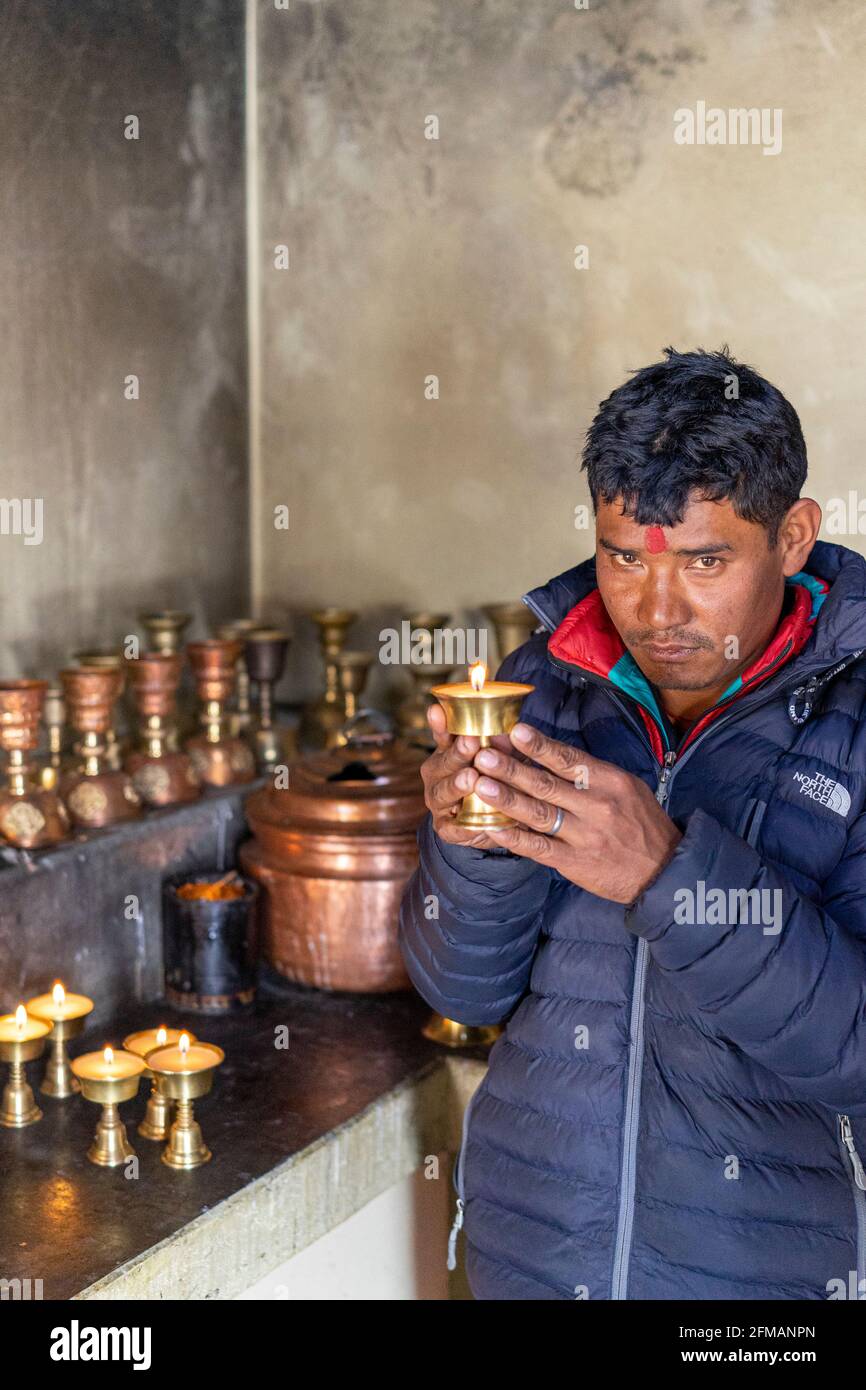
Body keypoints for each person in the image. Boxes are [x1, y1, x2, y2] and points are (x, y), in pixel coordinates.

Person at [399, 347, 866, 1300]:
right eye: (622, 559)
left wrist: (668, 879)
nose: (656, 612)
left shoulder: (855, 719)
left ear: (793, 536)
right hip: (531, 1260)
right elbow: (465, 992)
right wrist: (469, 843)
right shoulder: (545, 685)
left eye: (704, 561)